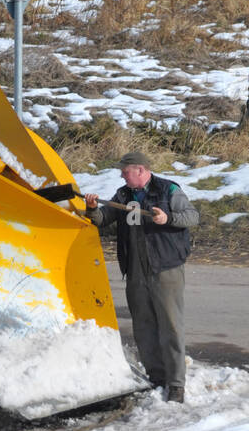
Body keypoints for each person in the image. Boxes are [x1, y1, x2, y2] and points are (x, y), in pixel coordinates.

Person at [84, 152, 199, 403]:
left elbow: (192, 216)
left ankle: (176, 384)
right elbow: (103, 219)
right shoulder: (123, 195)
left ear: (140, 170)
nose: (121, 176)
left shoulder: (168, 190)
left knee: (170, 327)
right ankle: (156, 378)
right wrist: (91, 208)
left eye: (125, 172)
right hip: (135, 271)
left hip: (165, 269)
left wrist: (168, 218)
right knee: (144, 328)